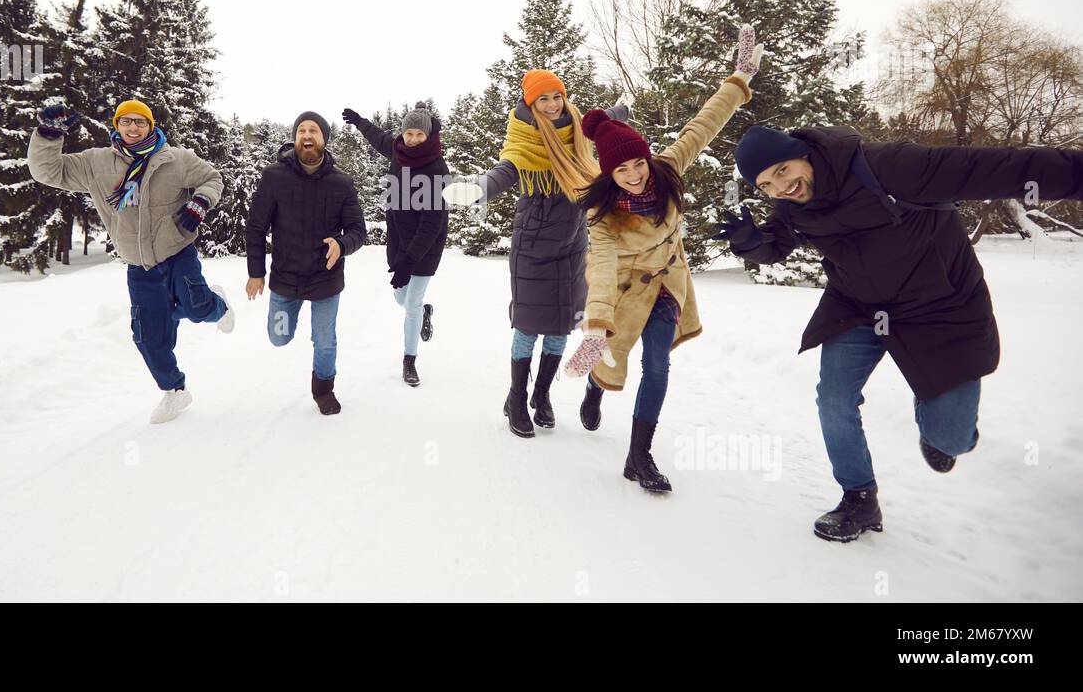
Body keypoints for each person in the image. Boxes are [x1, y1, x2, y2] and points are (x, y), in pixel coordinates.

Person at [713, 112, 1083, 541]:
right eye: (767, 186)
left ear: (803, 153)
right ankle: (859, 499)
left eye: (783, 171)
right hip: (857, 306)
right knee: (833, 399)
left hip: (939, 306)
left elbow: (1002, 167)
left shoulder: (888, 166)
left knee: (952, 441)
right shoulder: (792, 205)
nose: (781, 188)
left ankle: (937, 419)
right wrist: (749, 243)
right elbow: (775, 246)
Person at [565, 26, 762, 492]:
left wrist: (737, 80)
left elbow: (704, 124)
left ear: (646, 158)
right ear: (609, 173)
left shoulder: (668, 169)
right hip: (628, 294)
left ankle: (639, 457)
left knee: (658, 365)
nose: (633, 175)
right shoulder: (604, 215)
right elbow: (603, 269)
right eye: (622, 169)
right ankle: (596, 384)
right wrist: (596, 322)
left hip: (669, 286)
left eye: (637, 164)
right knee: (612, 357)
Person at [442, 71, 628, 438]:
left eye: (556, 96)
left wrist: (619, 111)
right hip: (534, 246)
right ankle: (517, 396)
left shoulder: (575, 126)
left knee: (561, 325)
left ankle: (541, 395)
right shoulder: (524, 141)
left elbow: (600, 121)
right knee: (528, 326)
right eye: (543, 99)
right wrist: (475, 190)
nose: (552, 104)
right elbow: (503, 171)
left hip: (573, 245)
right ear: (530, 103)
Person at [27, 99, 232, 424]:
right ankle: (175, 392)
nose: (133, 127)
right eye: (127, 122)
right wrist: (49, 135)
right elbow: (48, 171)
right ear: (117, 126)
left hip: (178, 251)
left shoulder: (176, 159)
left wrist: (200, 202)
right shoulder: (96, 163)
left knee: (196, 306)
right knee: (147, 336)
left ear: (150, 126)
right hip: (139, 265)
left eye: (140, 122)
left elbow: (213, 178)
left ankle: (218, 307)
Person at [246, 112, 367, 415]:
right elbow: (256, 227)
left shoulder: (342, 183)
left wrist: (341, 244)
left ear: (324, 139)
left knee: (324, 339)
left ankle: (323, 390)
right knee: (279, 337)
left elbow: (358, 232)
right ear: (296, 138)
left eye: (314, 130)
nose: (307, 135)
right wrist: (256, 272)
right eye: (302, 130)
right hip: (285, 279)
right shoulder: (274, 177)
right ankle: (292, 326)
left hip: (325, 278)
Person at [341, 102, 449, 387]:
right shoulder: (398, 151)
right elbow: (378, 137)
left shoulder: (437, 168)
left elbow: (432, 223)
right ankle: (425, 310)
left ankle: (409, 361)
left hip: (426, 246)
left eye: (418, 134)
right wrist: (360, 120)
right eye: (408, 133)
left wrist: (409, 261)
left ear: (428, 136)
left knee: (410, 302)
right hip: (399, 240)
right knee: (401, 299)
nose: (412, 139)